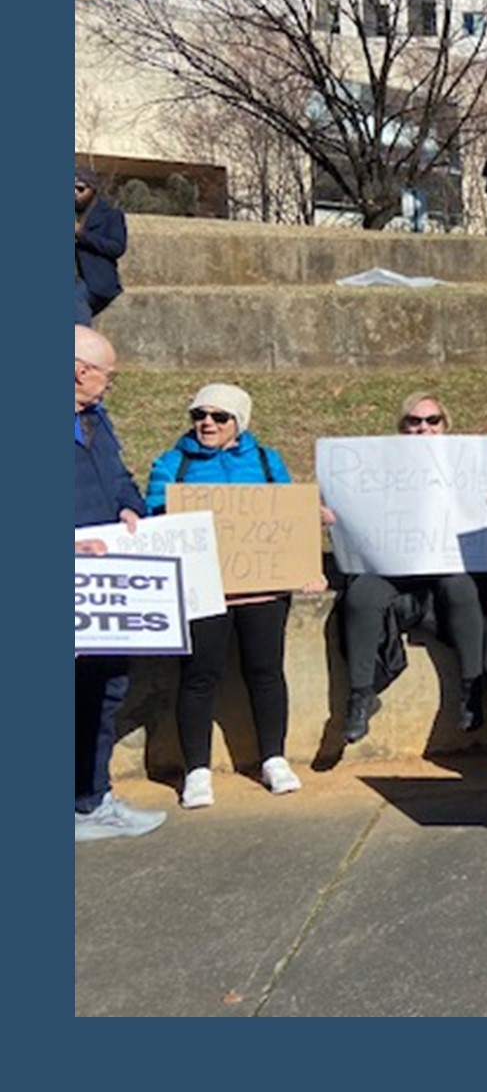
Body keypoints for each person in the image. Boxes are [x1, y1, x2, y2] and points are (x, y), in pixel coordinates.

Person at [144, 383, 308, 807]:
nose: (207, 423)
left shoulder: (267, 461)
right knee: (199, 677)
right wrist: (169, 514)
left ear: (239, 421)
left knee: (266, 672)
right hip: (203, 589)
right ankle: (197, 770)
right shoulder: (173, 462)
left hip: (262, 589)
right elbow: (154, 510)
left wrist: (308, 542)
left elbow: (287, 514)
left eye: (219, 417)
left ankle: (274, 758)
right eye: (200, 415)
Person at [336, 393, 487, 744]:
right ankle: (361, 695)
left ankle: (471, 688)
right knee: (361, 596)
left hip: (446, 564)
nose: (423, 428)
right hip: (392, 566)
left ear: (445, 426)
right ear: (402, 427)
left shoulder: (467, 467)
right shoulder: (377, 465)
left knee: (461, 589)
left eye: (432, 421)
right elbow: (356, 508)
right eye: (414, 421)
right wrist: (336, 514)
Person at [74, 325, 166, 842]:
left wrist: (131, 503)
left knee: (106, 688)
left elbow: (118, 477)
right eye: (107, 374)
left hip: (105, 583)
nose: (111, 383)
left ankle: (91, 799)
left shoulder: (96, 418)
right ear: (78, 371)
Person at [75, 165, 128, 326]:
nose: (74, 193)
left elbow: (117, 247)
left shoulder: (110, 215)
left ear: (92, 189)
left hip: (94, 281)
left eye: (80, 188)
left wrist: (82, 235)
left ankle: (79, 346)